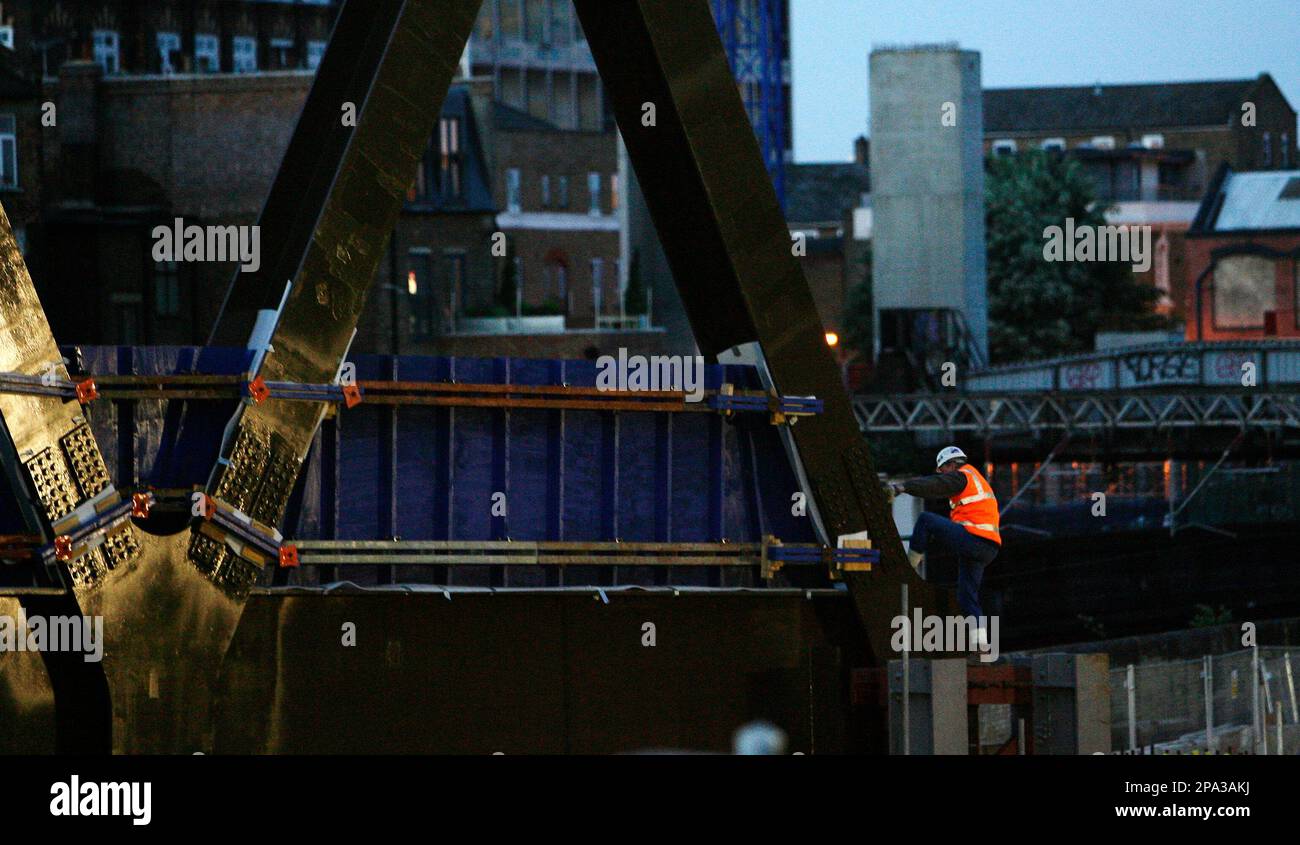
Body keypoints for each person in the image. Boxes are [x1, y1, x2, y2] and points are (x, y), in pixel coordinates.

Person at [887, 446, 1000, 627]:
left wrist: (902, 487)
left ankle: (907, 570)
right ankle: (981, 645)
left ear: (953, 464)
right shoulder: (974, 480)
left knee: (926, 520)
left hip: (974, 538)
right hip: (987, 547)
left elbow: (934, 485)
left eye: (942, 469)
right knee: (966, 597)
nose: (941, 474)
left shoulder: (962, 475)